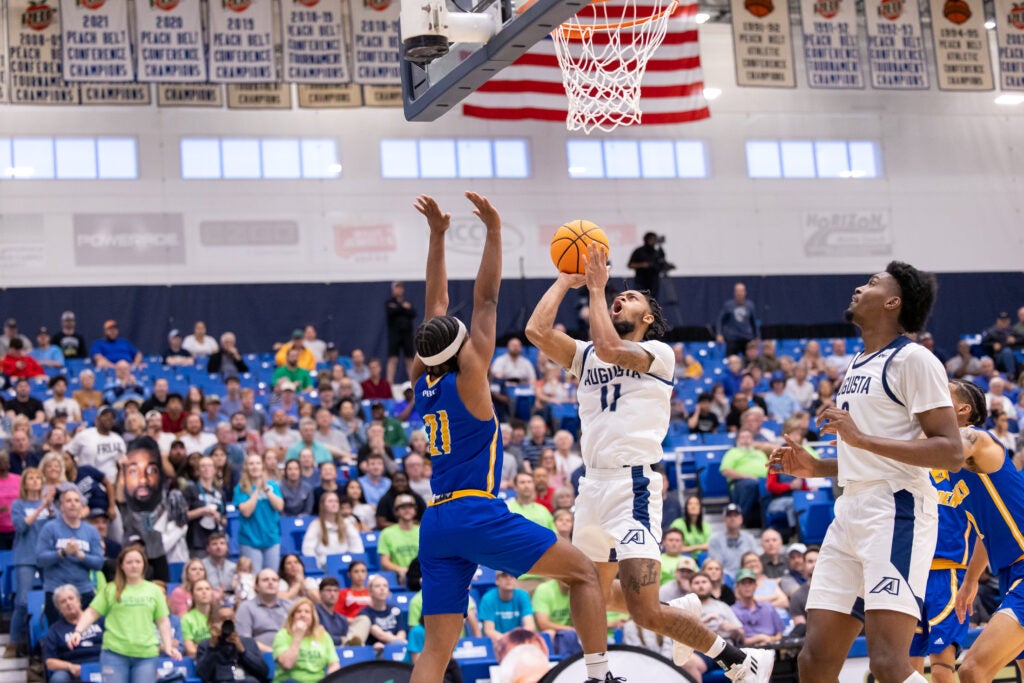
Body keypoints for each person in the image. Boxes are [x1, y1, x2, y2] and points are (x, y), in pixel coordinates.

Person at [528, 241, 775, 681]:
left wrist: (599, 290)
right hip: (592, 486)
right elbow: (536, 331)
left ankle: (739, 661)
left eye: (631, 298)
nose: (621, 298)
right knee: (586, 588)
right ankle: (598, 675)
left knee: (643, 610)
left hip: (633, 487)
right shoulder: (584, 355)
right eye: (617, 296)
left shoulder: (658, 354)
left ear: (646, 319)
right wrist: (566, 281)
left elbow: (607, 346)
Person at [408, 193, 623, 683]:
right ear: (463, 347)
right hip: (474, 511)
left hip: (436, 521)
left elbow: (435, 309)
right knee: (583, 573)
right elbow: (486, 300)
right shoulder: (471, 376)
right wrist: (495, 232)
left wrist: (438, 236)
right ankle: (599, 676)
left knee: (437, 650)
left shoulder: (422, 377)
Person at [769, 261, 962, 683]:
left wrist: (861, 441)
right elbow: (867, 453)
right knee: (814, 663)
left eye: (872, 283)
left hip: (896, 510)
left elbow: (950, 451)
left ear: (893, 302)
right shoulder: (858, 363)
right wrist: (816, 466)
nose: (859, 287)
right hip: (851, 509)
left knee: (890, 665)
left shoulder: (915, 360)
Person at [937, 379, 1024, 683]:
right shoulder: (954, 469)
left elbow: (947, 449)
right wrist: (970, 581)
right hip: (1009, 573)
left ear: (962, 409)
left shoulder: (978, 440)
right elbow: (985, 534)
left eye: (941, 391)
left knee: (973, 670)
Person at [68, 546, 181, 682]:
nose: (134, 566)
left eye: (138, 562)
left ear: (144, 565)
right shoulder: (110, 589)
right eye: (129, 562)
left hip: (146, 655)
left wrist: (168, 646)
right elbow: (92, 612)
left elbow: (163, 621)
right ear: (121, 565)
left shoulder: (154, 590)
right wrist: (78, 631)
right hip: (114, 653)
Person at [36, 485, 104, 625]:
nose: (73, 504)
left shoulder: (91, 531)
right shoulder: (50, 528)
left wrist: (81, 555)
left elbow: (99, 563)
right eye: (68, 501)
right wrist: (63, 552)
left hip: (83, 591)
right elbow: (40, 559)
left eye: (76, 500)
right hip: (56, 592)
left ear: (81, 506)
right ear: (61, 507)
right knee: (60, 638)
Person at [8, 466, 51, 657]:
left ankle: (49, 639)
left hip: (46, 557)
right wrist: (41, 508)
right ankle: (14, 642)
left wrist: (50, 509)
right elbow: (21, 527)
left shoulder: (49, 504)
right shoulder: (18, 504)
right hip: (25, 556)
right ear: (24, 483)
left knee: (52, 597)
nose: (34, 481)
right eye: (30, 478)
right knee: (22, 601)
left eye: (37, 478)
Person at [43, 584, 104, 683]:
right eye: (63, 601)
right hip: (74, 669)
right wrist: (70, 667)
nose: (68, 603)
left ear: (79, 600)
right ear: (59, 608)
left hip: (102, 663)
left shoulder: (99, 620)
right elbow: (50, 662)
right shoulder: (55, 630)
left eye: (71, 598)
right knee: (59, 678)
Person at [195, 605, 271, 683]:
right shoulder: (206, 646)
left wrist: (242, 650)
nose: (228, 623)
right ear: (213, 623)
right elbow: (202, 675)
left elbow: (264, 672)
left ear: (235, 620)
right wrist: (213, 647)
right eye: (223, 619)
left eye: (231, 619)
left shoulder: (248, 642)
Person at [235, 454, 284, 573]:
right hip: (250, 540)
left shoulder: (272, 485)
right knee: (254, 578)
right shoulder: (241, 488)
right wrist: (256, 490)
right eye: (251, 464)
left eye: (257, 463)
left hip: (271, 539)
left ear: (262, 466)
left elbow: (279, 506)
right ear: (246, 467)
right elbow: (246, 512)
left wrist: (267, 491)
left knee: (271, 577)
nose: (255, 467)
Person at [273, 598, 341, 681]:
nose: (303, 615)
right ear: (293, 616)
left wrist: (331, 678)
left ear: (313, 617)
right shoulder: (283, 634)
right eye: (298, 611)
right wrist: (298, 636)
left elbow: (334, 664)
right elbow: (287, 664)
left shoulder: (323, 635)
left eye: (307, 612)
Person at [301, 491, 364, 569]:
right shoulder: (315, 525)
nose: (334, 504)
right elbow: (307, 549)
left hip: (346, 565)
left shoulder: (347, 524)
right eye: (330, 501)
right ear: (323, 505)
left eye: (336, 501)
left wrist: (353, 562)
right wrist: (318, 564)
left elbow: (357, 544)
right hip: (324, 565)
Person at [236, 568, 292, 653]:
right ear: (257, 586)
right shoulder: (246, 607)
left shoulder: (290, 606)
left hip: (290, 654)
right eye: (265, 580)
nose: (271, 582)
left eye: (274, 580)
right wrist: (272, 652)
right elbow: (245, 640)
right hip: (260, 656)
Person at [729, 569, 784, 647]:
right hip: (746, 651)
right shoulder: (733, 611)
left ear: (755, 586)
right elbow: (740, 641)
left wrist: (769, 640)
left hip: (772, 647)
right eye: (743, 583)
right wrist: (760, 638)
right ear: (737, 587)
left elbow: (779, 634)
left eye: (750, 583)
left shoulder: (768, 607)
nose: (747, 586)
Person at [479, 571, 536, 645]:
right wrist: (509, 641)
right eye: (504, 576)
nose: (508, 578)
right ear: (497, 581)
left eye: (512, 576)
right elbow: (489, 631)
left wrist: (517, 640)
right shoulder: (488, 598)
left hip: (517, 641)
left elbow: (530, 626)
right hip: (497, 643)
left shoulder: (523, 595)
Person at [377, 493, 421, 585]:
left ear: (415, 510)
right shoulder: (387, 533)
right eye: (403, 507)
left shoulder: (422, 531)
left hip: (421, 575)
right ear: (396, 511)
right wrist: (401, 569)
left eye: (410, 507)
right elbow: (384, 562)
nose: (407, 510)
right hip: (399, 577)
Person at [360, 574, 407, 650]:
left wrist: (398, 643)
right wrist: (399, 642)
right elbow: (380, 635)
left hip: (396, 646)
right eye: (377, 586)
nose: (382, 589)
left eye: (385, 586)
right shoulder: (365, 613)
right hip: (376, 651)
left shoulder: (395, 609)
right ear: (370, 591)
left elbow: (401, 631)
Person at [387, 281, 418, 384]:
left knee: (410, 359)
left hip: (407, 335)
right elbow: (391, 312)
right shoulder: (389, 303)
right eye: (397, 288)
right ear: (393, 290)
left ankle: (414, 383)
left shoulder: (408, 302)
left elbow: (413, 313)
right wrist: (403, 307)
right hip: (394, 335)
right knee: (393, 359)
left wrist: (399, 308)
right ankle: (389, 384)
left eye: (401, 288)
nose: (399, 290)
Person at [716, 284, 760, 357]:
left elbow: (754, 322)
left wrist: (757, 336)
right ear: (734, 292)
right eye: (737, 291)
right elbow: (720, 320)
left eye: (741, 291)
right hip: (732, 339)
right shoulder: (728, 305)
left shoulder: (750, 305)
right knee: (731, 360)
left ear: (745, 292)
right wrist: (719, 333)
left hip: (747, 338)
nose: (739, 293)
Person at [627, 231, 673, 300]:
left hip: (653, 282)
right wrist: (642, 265)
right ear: (646, 240)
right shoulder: (639, 251)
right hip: (641, 281)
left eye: (654, 239)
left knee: (652, 303)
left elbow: (660, 264)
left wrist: (667, 266)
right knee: (639, 301)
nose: (653, 241)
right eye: (651, 239)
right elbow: (630, 265)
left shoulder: (656, 252)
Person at [182, 579, 216, 657]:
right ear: (192, 595)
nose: (204, 592)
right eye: (199, 589)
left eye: (207, 589)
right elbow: (190, 650)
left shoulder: (220, 615)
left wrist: (199, 647)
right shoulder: (187, 619)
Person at [670, 495, 711, 560]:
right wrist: (699, 547)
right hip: (682, 558)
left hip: (701, 559)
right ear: (686, 508)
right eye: (690, 504)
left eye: (696, 504)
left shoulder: (706, 526)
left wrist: (688, 548)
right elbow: (675, 548)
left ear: (700, 508)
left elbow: (709, 546)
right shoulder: (678, 524)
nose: (693, 506)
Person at [314, 578, 353, 645]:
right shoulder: (313, 613)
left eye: (335, 591)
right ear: (320, 593)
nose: (332, 594)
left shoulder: (342, 619)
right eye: (328, 590)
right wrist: (340, 640)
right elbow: (317, 636)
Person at [203, 532, 237, 602]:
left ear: (227, 547)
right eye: (214, 544)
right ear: (208, 548)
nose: (219, 547)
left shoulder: (234, 567)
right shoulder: (201, 566)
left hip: (230, 600)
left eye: (222, 543)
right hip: (208, 600)